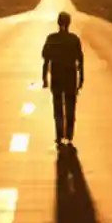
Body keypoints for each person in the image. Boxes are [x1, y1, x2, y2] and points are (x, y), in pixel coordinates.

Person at [42, 11, 84, 146]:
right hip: (70, 77)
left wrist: (44, 78)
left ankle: (59, 133)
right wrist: (81, 78)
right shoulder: (74, 39)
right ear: (69, 23)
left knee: (58, 107)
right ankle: (69, 135)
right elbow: (80, 60)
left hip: (57, 77)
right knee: (70, 106)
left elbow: (46, 60)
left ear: (58, 22)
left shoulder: (52, 38)